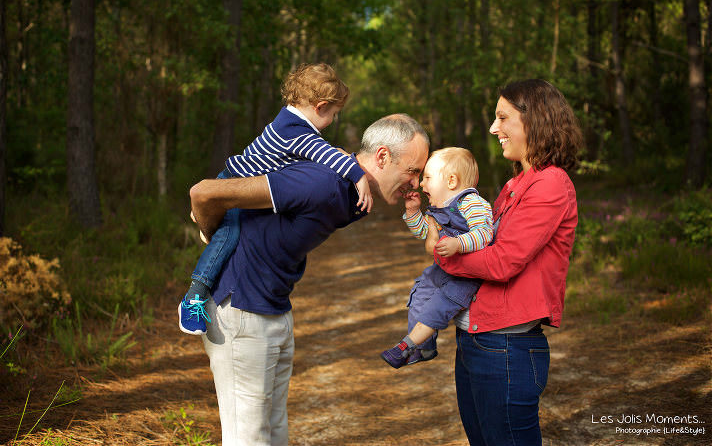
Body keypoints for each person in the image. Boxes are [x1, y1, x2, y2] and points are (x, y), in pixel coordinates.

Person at [189, 113, 429, 446]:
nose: (416, 183)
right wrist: (215, 237)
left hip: (274, 308)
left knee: (274, 433)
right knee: (248, 438)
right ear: (383, 156)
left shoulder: (355, 196)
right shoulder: (323, 183)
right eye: (412, 171)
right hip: (241, 309)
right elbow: (204, 193)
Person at [434, 79, 583, 446]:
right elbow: (481, 241)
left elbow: (502, 261)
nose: (493, 128)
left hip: (505, 347)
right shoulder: (516, 184)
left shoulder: (550, 184)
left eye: (503, 118)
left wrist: (447, 257)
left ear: (535, 120)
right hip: (477, 337)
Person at [179, 63, 373, 335]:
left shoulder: (291, 122)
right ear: (320, 107)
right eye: (334, 113)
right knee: (228, 238)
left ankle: (209, 229)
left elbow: (322, 154)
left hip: (243, 185)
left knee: (232, 236)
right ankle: (194, 296)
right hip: (234, 184)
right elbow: (324, 154)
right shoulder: (295, 130)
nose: (333, 120)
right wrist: (359, 176)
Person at [381, 147, 493, 368]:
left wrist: (458, 243)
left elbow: (484, 233)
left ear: (451, 181)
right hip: (441, 270)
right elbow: (424, 232)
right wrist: (413, 212)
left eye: (428, 178)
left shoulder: (472, 203)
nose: (421, 184)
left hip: (465, 275)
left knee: (438, 306)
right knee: (419, 296)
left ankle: (406, 346)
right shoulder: (437, 210)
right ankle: (425, 347)